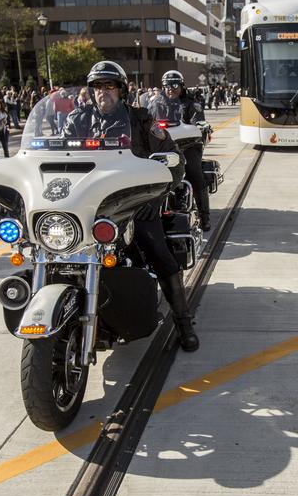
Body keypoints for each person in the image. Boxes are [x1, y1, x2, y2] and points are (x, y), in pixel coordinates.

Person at [63, 61, 200, 352]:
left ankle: (183, 322)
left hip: (132, 203)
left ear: (121, 90)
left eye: (109, 86)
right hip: (86, 205)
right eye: (98, 87)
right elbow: (60, 160)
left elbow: (174, 160)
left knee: (158, 253)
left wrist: (155, 198)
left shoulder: (140, 120)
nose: (103, 93)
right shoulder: (76, 119)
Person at [149, 69, 213, 231]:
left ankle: (205, 217)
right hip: (163, 145)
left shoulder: (192, 103)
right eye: (167, 85)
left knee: (194, 172)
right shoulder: (155, 103)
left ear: (182, 86)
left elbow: (198, 121)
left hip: (188, 144)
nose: (170, 89)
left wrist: (198, 126)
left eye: (175, 85)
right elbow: (146, 120)